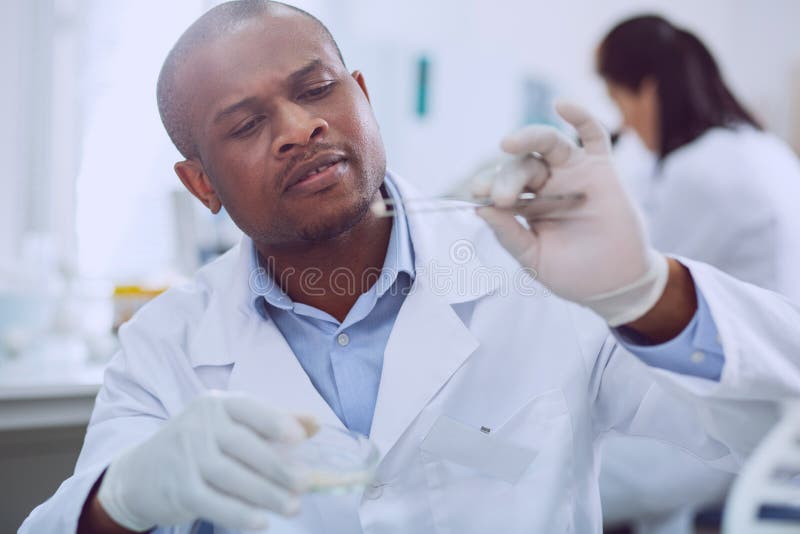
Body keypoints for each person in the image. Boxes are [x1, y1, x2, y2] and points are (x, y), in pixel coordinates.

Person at [20, 2, 800, 533]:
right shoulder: (165, 342)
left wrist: (648, 295)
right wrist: (116, 499)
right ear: (201, 185)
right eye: (248, 124)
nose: (299, 127)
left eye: (317, 88)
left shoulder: (531, 273)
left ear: (362, 98)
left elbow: (766, 436)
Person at [595, 15, 800, 533]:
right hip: (774, 406)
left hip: (747, 425)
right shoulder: (760, 149)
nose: (625, 125)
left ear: (647, 89)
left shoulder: (703, 171)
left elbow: (637, 295)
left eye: (618, 101)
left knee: (541, 469)